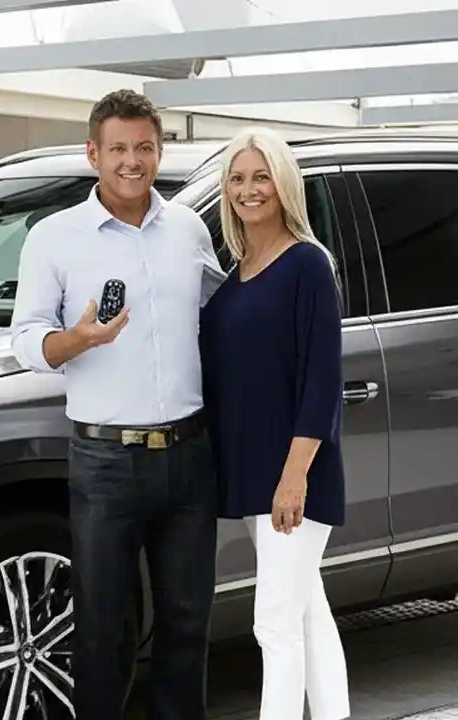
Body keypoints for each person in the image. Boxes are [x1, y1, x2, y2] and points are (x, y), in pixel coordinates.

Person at [10, 89, 226, 720]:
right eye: (119, 149)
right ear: (94, 154)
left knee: (188, 621)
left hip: (189, 455)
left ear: (159, 152)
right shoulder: (54, 237)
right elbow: (25, 339)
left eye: (145, 148)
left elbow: (220, 315)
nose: (133, 161)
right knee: (104, 627)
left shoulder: (188, 230)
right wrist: (77, 339)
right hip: (106, 463)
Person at [199, 126, 351, 720]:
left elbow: (322, 380)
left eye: (261, 176)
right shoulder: (236, 273)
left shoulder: (308, 265)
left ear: (284, 183)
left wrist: (293, 477)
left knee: (275, 623)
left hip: (295, 476)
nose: (248, 189)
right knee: (308, 612)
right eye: (237, 179)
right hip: (254, 471)